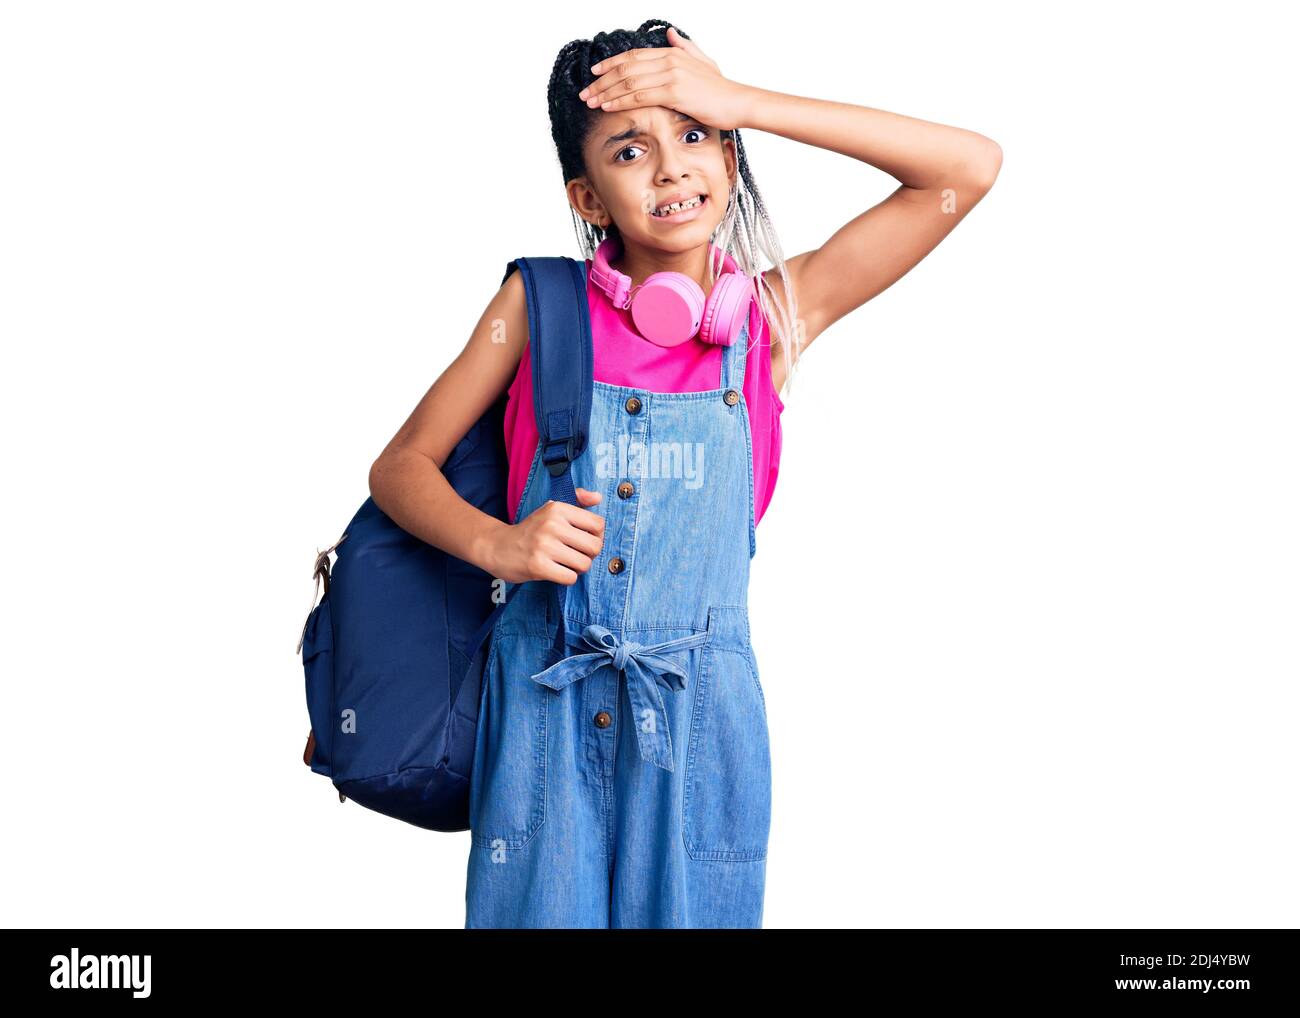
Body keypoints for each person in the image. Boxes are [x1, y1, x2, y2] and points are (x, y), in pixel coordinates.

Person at [367, 19, 1002, 928]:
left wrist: (741, 100)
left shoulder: (773, 320)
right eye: (633, 150)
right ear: (588, 197)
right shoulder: (539, 307)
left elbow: (965, 169)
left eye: (695, 136)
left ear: (731, 159)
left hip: (702, 729)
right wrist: (500, 544)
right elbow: (401, 466)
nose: (671, 168)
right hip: (545, 712)